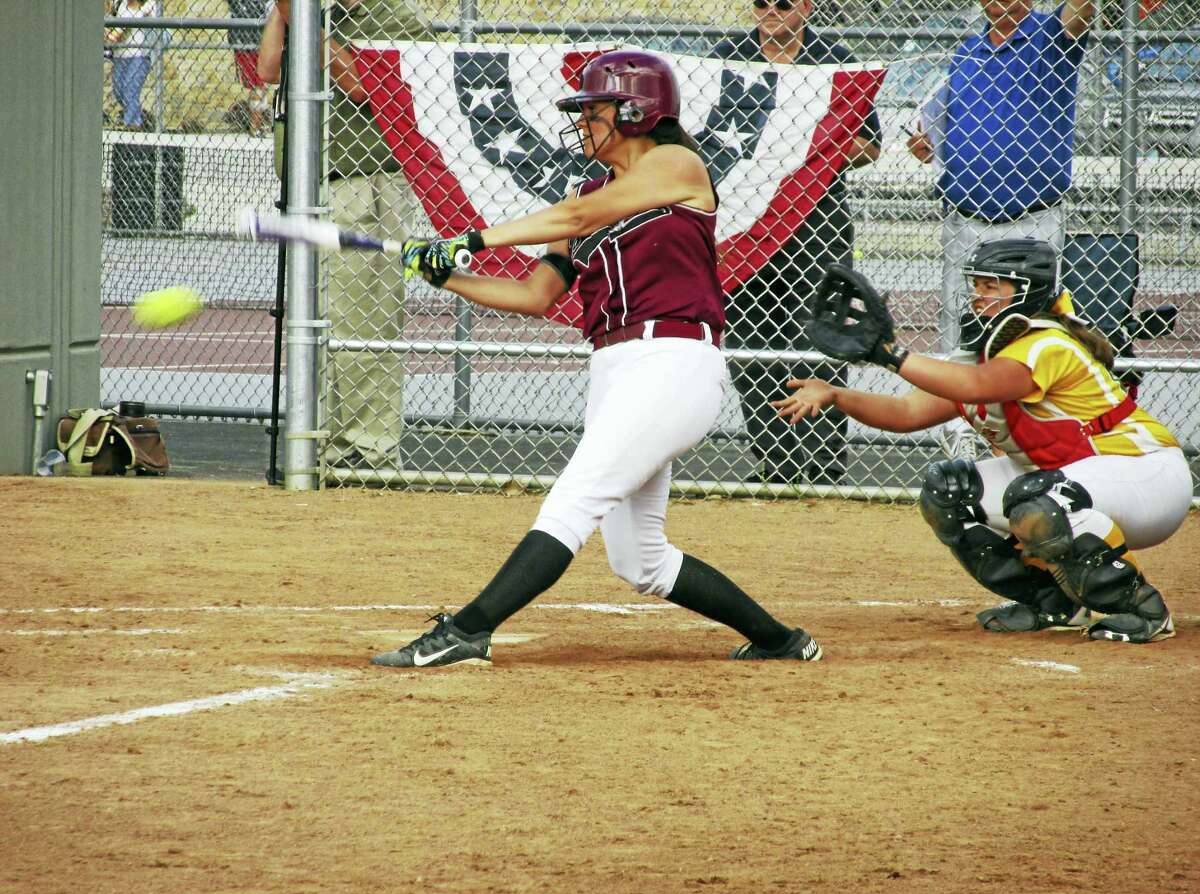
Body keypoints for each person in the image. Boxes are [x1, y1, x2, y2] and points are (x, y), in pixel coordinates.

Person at [371, 51, 822, 668]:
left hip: (673, 359)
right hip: (615, 368)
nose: (583, 122)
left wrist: (471, 239)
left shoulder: (677, 164)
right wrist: (445, 275)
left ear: (637, 110)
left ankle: (469, 631)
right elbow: (537, 294)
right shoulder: (584, 191)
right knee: (639, 558)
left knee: (573, 501)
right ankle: (780, 640)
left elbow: (579, 219)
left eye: (594, 109)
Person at [775, 239, 1192, 644]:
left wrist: (891, 354)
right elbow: (906, 414)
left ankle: (1143, 609)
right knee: (948, 490)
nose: (978, 296)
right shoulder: (982, 357)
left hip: (1145, 475)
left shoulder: (1046, 344)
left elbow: (977, 386)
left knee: (1037, 497)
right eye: (977, 284)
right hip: (1073, 483)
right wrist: (837, 394)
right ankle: (1054, 605)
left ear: (1025, 291)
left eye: (992, 286)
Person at [710, 0, 881, 486]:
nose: (769, 10)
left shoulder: (836, 59)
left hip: (816, 219)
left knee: (824, 333)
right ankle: (776, 460)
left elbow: (868, 147)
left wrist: (805, 146)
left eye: (782, 2)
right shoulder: (728, 57)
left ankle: (825, 462)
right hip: (748, 221)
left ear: (806, 6)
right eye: (760, 2)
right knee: (750, 337)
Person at [258, 0, 430, 469]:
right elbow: (268, 69)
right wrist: (283, 12)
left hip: (363, 183)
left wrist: (305, 22)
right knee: (316, 320)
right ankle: (326, 443)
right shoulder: (315, 14)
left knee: (363, 321)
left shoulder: (391, 18)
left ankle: (368, 449)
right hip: (309, 183)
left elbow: (363, 85)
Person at [906, 0, 1095, 354]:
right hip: (964, 220)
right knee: (959, 339)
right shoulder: (966, 54)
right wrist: (928, 147)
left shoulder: (1050, 36)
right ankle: (959, 409)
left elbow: (1081, 11)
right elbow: (945, 131)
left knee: (1028, 337)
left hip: (1030, 220)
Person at [105, 0, 158, 129]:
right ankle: (141, 117)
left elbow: (117, 35)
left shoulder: (148, 5)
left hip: (139, 55)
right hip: (120, 56)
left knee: (130, 89)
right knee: (119, 91)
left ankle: (133, 126)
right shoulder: (119, 4)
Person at [227, 0, 270, 135]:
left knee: (260, 85)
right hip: (247, 41)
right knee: (258, 85)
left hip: (259, 39)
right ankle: (255, 127)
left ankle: (256, 125)